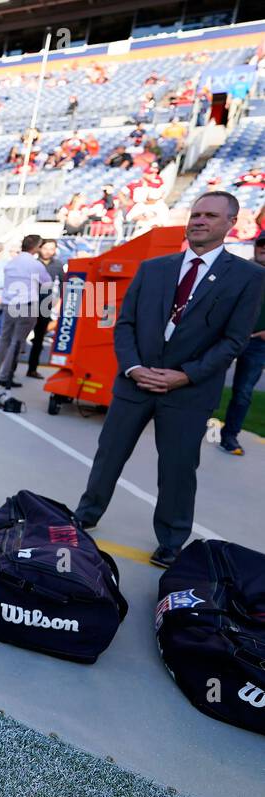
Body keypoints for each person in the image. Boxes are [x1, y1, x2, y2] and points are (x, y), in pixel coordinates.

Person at [76, 192, 265, 567]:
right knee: (109, 455)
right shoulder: (153, 269)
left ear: (231, 223)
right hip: (135, 382)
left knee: (178, 468)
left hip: (189, 392)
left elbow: (234, 340)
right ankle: (86, 515)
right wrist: (133, 367)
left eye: (210, 215)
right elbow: (125, 324)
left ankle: (172, 539)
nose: (199, 220)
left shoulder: (249, 277)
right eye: (196, 214)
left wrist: (185, 375)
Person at [219, 233, 265, 456]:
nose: (264, 248)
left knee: (243, 392)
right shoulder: (240, 270)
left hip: (257, 343)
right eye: (262, 244)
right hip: (228, 338)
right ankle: (194, 427)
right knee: (209, 383)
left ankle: (230, 436)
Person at [0, 235, 51, 388]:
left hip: (9, 304)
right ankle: (4, 376)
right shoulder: (35, 265)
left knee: (4, 339)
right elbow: (47, 282)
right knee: (16, 342)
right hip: (26, 305)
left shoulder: (11, 263)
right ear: (36, 248)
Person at [25, 237, 65, 379]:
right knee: (19, 338)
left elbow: (63, 285)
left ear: (55, 250)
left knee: (39, 339)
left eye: (51, 249)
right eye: (46, 248)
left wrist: (60, 303)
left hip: (45, 306)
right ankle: (9, 370)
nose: (48, 251)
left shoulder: (58, 265)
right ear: (40, 248)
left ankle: (32, 369)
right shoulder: (32, 264)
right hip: (29, 304)